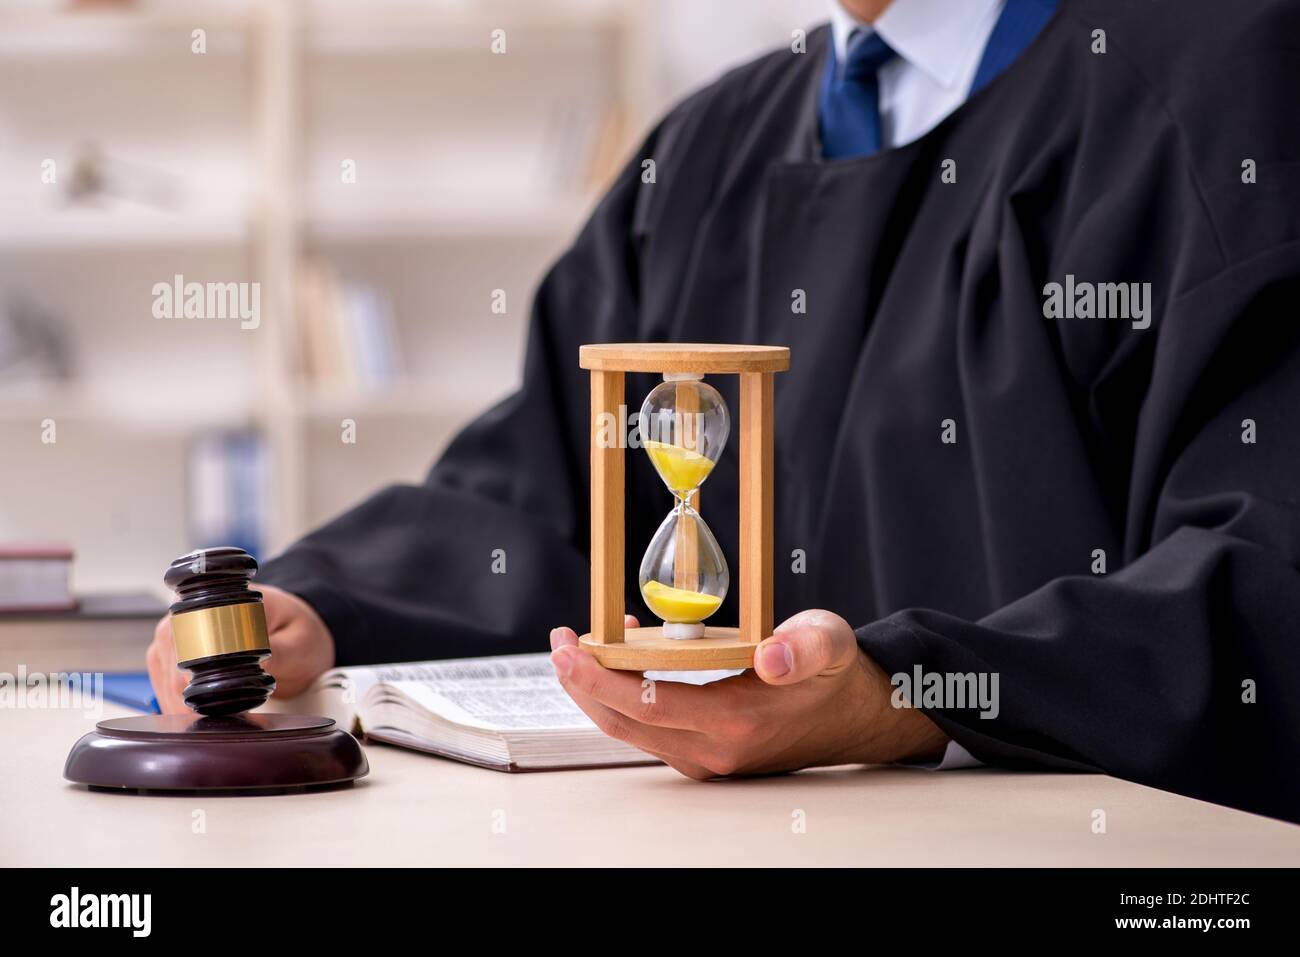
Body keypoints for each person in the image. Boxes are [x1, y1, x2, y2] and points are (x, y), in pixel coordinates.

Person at [148, 0, 1300, 822]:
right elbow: (551, 488)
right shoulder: (707, 146)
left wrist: (907, 697)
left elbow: (1268, 569)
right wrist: (331, 603)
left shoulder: (1232, 79)